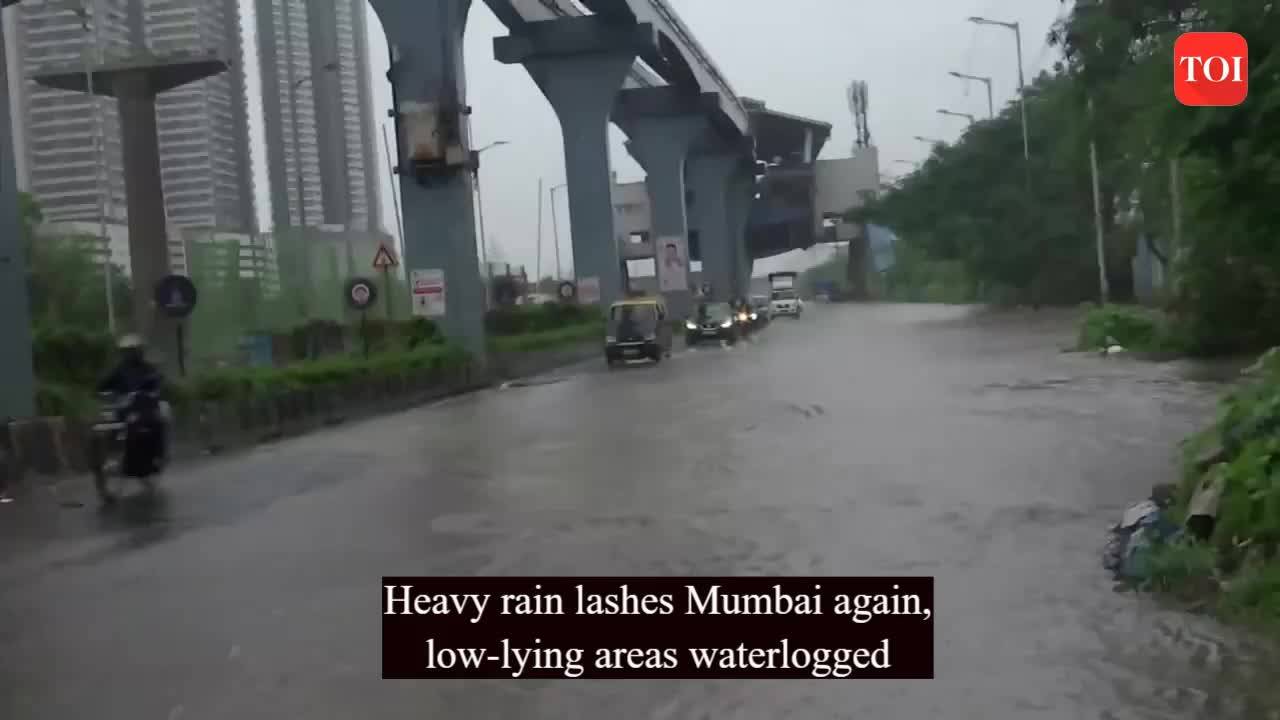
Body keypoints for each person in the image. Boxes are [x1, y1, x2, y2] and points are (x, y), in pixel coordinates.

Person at [97, 334, 168, 475]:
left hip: (145, 408)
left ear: (139, 351)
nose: (129, 354)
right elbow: (104, 384)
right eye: (126, 351)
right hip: (125, 409)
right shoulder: (119, 369)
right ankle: (112, 457)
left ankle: (158, 457)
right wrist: (100, 391)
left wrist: (153, 391)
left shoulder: (148, 368)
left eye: (132, 350)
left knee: (158, 422)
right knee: (110, 426)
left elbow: (157, 382)